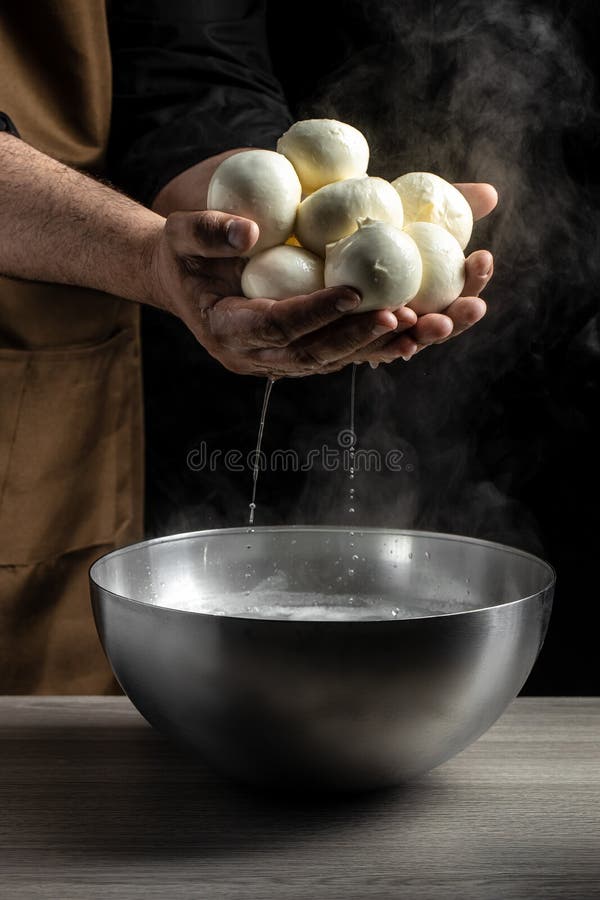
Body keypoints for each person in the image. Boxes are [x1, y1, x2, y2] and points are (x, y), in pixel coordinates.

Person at [0, 1, 496, 693]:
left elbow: (186, 60)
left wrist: (244, 196)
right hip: (77, 258)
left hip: (58, 348)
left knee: (57, 751)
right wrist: (142, 254)